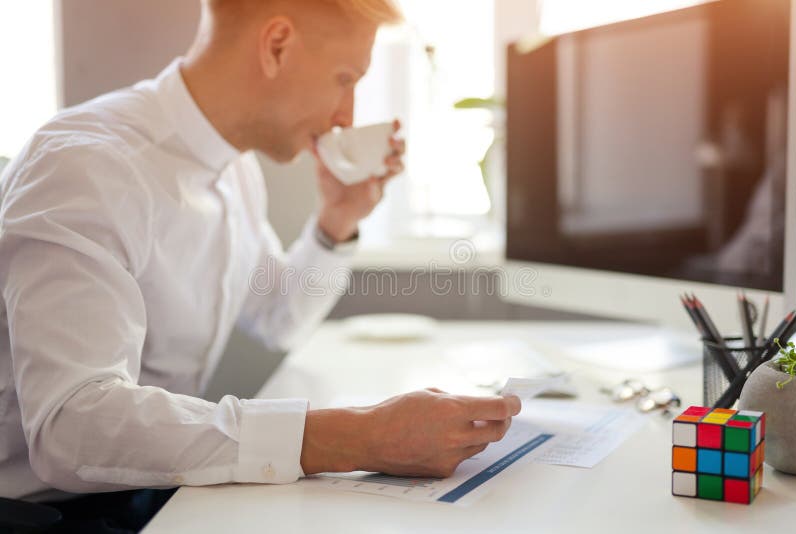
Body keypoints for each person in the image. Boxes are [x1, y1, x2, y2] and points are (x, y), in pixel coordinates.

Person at [0, 0, 521, 528]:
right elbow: (71, 426)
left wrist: (336, 221)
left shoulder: (235, 170)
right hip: (42, 512)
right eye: (345, 79)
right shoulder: (85, 166)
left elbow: (275, 317)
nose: (346, 115)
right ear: (276, 46)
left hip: (142, 487)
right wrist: (359, 436)